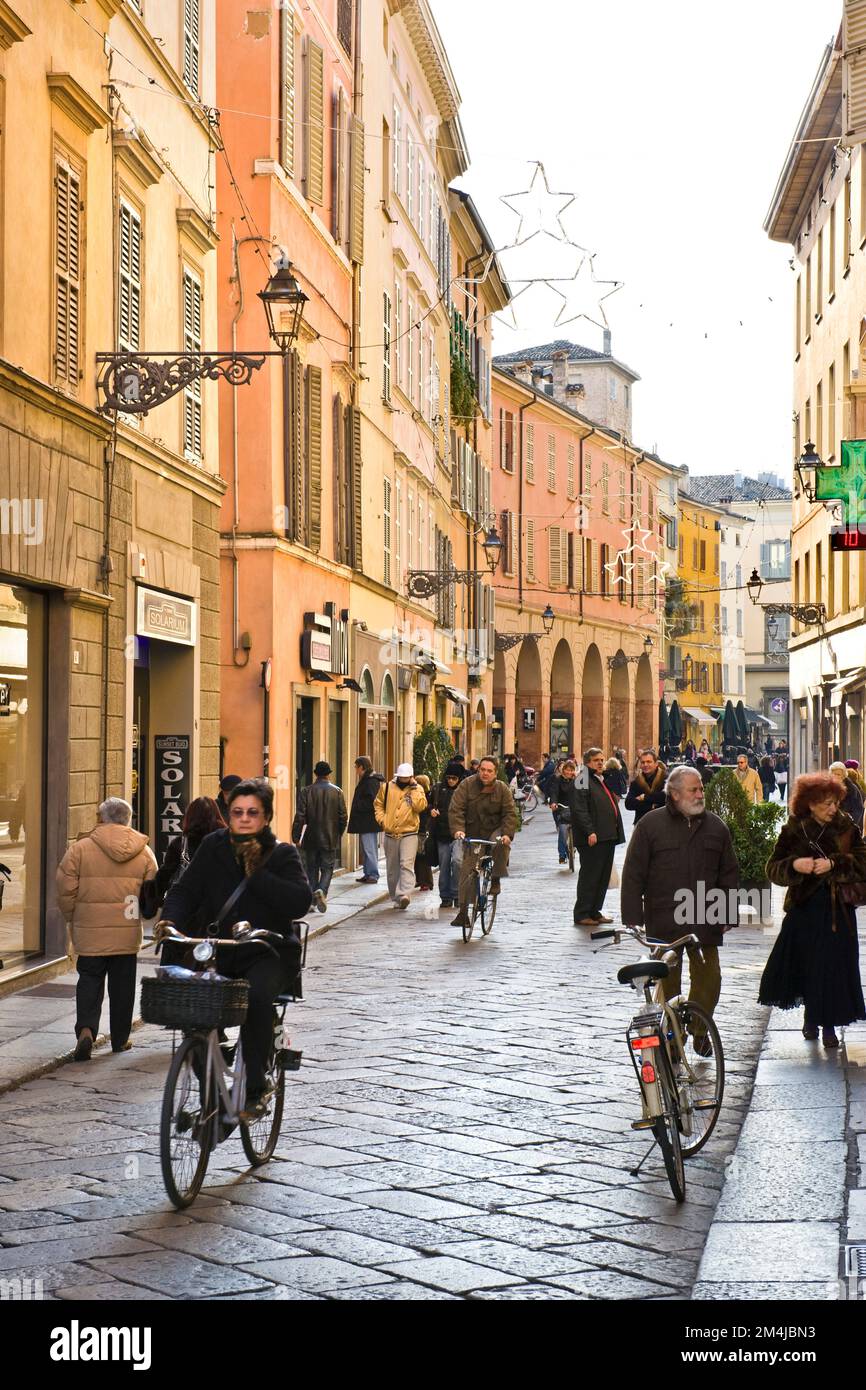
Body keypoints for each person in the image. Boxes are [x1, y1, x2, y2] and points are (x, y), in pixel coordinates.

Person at [160, 778, 311, 1115]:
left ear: (267, 817)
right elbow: (186, 890)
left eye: (252, 813)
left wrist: (256, 872)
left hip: (268, 952)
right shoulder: (213, 847)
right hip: (221, 949)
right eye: (237, 812)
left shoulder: (282, 854)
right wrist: (169, 921)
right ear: (228, 814)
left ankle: (256, 1086)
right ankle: (211, 1091)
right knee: (194, 1004)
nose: (243, 818)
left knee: (254, 998)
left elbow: (299, 902)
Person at [621, 765, 739, 1053]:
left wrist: (727, 912)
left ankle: (699, 1028)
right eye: (694, 789)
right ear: (674, 794)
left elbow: (729, 873)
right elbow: (634, 872)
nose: (701, 794)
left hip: (704, 916)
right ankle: (673, 1038)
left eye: (701, 788)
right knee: (667, 984)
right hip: (663, 917)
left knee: (710, 979)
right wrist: (633, 919)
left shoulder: (716, 826)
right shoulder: (650, 825)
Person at [759, 773, 866, 1048]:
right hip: (803, 911)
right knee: (808, 966)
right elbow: (773, 867)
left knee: (832, 968)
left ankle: (828, 1024)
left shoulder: (847, 827)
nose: (833, 808)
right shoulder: (794, 830)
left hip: (837, 912)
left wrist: (835, 864)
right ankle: (811, 1017)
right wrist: (795, 866)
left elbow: (864, 861)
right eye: (827, 803)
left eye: (835, 802)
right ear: (810, 803)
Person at [56, 797, 157, 1061]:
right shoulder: (144, 851)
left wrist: (73, 916)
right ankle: (120, 1039)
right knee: (122, 987)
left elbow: (65, 889)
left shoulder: (80, 849)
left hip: (89, 929)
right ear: (128, 819)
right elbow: (152, 893)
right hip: (125, 929)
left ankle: (86, 1031)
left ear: (101, 818)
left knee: (89, 980)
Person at [448, 756, 518, 929]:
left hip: (495, 830)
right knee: (466, 870)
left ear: (495, 773)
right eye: (482, 770)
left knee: (500, 843)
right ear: (478, 770)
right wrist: (458, 829)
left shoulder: (502, 789)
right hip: (472, 833)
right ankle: (463, 912)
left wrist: (508, 834)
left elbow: (509, 813)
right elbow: (456, 809)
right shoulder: (466, 785)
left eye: (489, 771)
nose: (485, 773)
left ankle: (495, 878)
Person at [572, 747, 625, 927]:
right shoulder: (582, 778)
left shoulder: (598, 779)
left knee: (602, 876)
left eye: (602, 760)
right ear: (587, 762)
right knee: (590, 875)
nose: (601, 763)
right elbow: (579, 808)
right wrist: (590, 831)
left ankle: (595, 911)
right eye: (596, 760)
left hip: (607, 836)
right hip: (593, 838)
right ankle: (582, 913)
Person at [292, 761, 347, 913]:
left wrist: (295, 835)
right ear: (329, 774)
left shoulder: (306, 791)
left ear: (315, 774)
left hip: (311, 837)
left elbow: (300, 815)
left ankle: (312, 900)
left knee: (311, 868)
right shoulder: (337, 792)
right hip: (330, 837)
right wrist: (338, 833)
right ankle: (322, 891)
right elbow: (343, 817)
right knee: (327, 868)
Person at [373, 763, 427, 909]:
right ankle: (396, 897)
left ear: (411, 777)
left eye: (406, 778)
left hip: (409, 832)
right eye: (401, 778)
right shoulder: (387, 787)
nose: (404, 780)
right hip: (390, 832)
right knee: (392, 868)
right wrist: (382, 820)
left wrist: (415, 789)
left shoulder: (418, 789)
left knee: (406, 864)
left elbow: (420, 807)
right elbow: (378, 804)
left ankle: (404, 894)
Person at [428, 760, 464, 908]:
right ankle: (445, 896)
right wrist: (431, 810)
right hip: (441, 835)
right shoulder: (437, 789)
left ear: (459, 778)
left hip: (459, 835)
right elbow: (427, 803)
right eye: (448, 777)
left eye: (454, 778)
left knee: (457, 862)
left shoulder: (464, 791)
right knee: (443, 866)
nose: (450, 780)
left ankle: (456, 894)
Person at [347, 756, 384, 884]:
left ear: (361, 767)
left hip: (368, 822)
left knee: (369, 849)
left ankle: (373, 874)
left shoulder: (370, 781)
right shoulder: (367, 780)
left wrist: (358, 805)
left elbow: (372, 801)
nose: (355, 770)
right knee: (366, 848)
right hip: (365, 822)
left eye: (356, 767)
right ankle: (367, 873)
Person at [624, 749, 668, 824]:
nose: (645, 765)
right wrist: (653, 805)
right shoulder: (636, 782)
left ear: (656, 763)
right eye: (643, 762)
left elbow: (667, 798)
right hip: (642, 823)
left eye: (649, 762)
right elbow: (628, 803)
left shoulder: (666, 779)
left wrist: (644, 797)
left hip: (663, 823)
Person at [548, 758, 579, 864]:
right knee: (562, 831)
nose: (569, 772)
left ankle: (574, 845)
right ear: (563, 770)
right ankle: (562, 855)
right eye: (567, 770)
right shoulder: (557, 779)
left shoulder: (575, 780)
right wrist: (553, 803)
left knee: (578, 828)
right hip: (561, 807)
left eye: (571, 770)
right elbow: (554, 792)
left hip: (573, 808)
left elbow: (582, 792)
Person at [413, 774, 435, 890]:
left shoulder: (425, 798)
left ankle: (425, 882)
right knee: (418, 857)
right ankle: (420, 880)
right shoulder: (425, 796)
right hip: (420, 829)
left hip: (422, 830)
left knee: (422, 857)